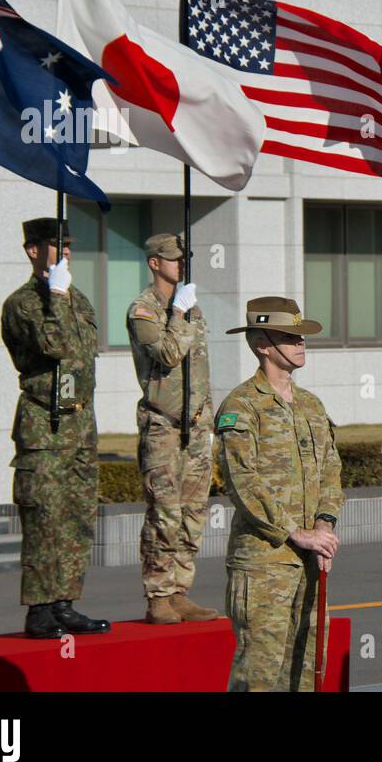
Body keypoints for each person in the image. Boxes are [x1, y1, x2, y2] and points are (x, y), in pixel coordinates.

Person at [215, 296, 343, 692]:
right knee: (259, 675)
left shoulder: (310, 405)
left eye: (302, 335)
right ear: (262, 343)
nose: (301, 343)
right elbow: (243, 481)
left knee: (305, 671)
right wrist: (294, 531)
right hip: (263, 564)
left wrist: (323, 525)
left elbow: (331, 468)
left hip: (310, 560)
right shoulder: (241, 405)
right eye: (290, 336)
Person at [1, 217, 109, 639]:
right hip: (44, 425)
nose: (64, 253)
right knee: (44, 521)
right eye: (54, 246)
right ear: (32, 250)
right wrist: (57, 295)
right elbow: (57, 346)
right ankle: (39, 609)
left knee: (76, 519)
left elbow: (84, 362)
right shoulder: (24, 302)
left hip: (79, 425)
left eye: (67, 246)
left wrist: (64, 295)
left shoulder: (77, 298)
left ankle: (65, 601)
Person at [126, 233, 218, 625]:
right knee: (164, 514)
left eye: (183, 259)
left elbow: (199, 371)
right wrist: (177, 316)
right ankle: (158, 594)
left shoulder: (191, 308)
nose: (180, 265)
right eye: (173, 259)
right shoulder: (143, 310)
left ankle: (181, 590)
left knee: (194, 513)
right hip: (162, 425)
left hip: (196, 426)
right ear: (154, 263)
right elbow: (166, 354)